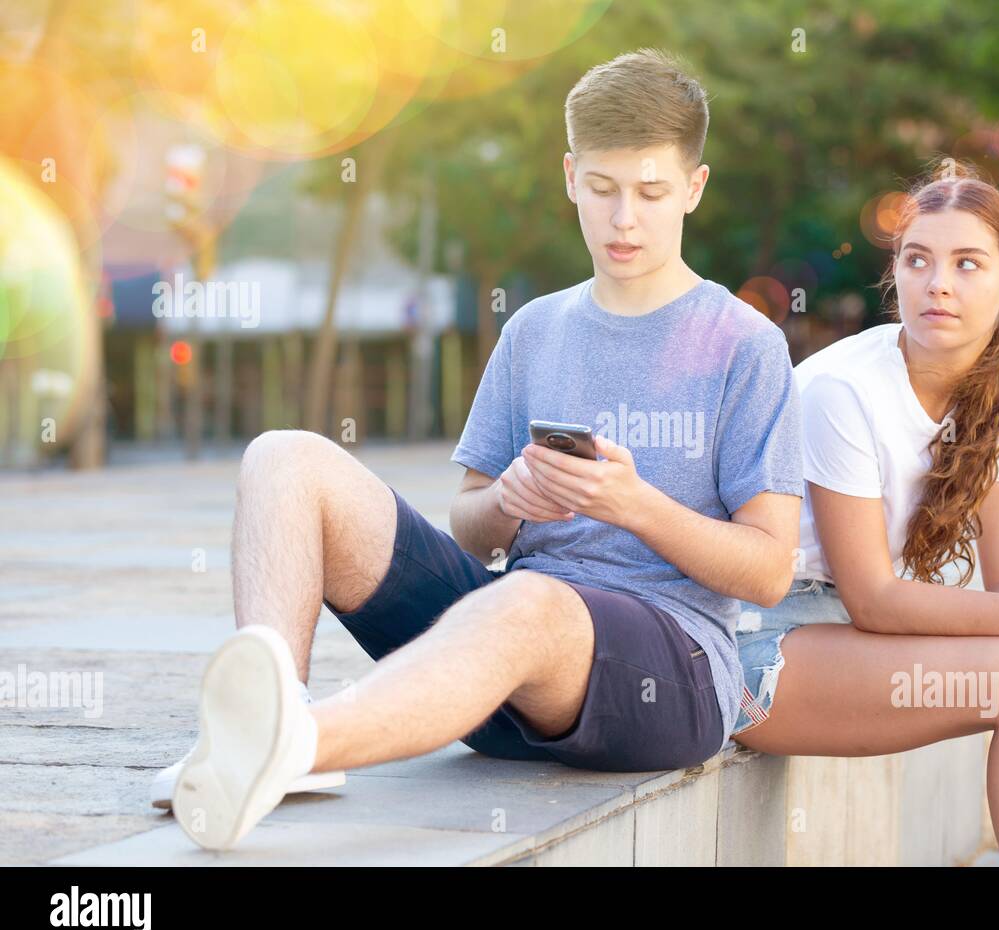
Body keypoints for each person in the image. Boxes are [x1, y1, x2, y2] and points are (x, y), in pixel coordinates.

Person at [154, 48, 805, 851]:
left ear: (694, 190)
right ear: (571, 177)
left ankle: (287, 746)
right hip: (500, 660)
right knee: (284, 457)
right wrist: (509, 501)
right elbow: (470, 526)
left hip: (666, 676)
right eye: (602, 190)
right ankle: (274, 714)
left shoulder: (744, 344)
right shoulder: (536, 330)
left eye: (651, 193)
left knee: (527, 603)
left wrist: (637, 507)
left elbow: (771, 570)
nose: (624, 219)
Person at [728, 161, 999, 866]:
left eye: (967, 264)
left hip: (852, 639)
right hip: (762, 648)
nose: (938, 283)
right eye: (918, 261)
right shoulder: (840, 391)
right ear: (896, 275)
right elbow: (874, 598)